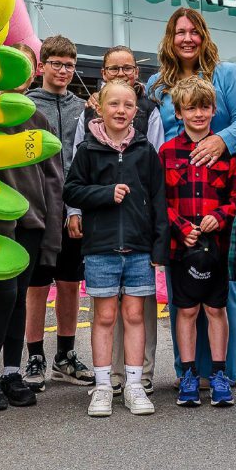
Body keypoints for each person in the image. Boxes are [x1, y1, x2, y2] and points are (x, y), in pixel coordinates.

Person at [146, 7, 236, 383]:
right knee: (184, 286)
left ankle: (227, 370)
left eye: (193, 31)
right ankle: (189, 370)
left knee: (225, 286)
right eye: (179, 32)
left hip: (223, 188)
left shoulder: (227, 74)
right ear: (169, 39)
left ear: (204, 35)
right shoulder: (157, 84)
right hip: (179, 196)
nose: (187, 38)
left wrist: (222, 140)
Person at [63, 81, 165, 417]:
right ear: (100, 108)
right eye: (114, 105)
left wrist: (159, 245)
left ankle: (134, 384)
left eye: (128, 105)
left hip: (138, 248)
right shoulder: (88, 150)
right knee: (104, 317)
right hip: (101, 248)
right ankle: (104, 385)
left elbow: (159, 201)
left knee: (135, 316)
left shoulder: (145, 151)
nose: (120, 111)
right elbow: (71, 191)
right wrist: (105, 194)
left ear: (136, 112)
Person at [0, 43, 66, 411]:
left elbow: (53, 181)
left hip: (31, 224)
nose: (19, 75)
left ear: (32, 74)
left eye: (26, 68)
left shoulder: (38, 120)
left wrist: (51, 235)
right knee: (5, 296)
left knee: (19, 301)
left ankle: (11, 371)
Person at [162, 77, 236, 407]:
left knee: (216, 308)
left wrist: (220, 216)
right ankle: (190, 374)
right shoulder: (166, 152)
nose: (199, 113)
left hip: (217, 248)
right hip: (182, 249)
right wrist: (180, 225)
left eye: (204, 107)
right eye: (191, 107)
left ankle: (220, 373)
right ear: (179, 113)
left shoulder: (226, 153)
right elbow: (159, 200)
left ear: (214, 110)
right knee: (187, 310)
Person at [23, 35, 95, 390]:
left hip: (73, 210)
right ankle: (34, 356)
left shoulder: (84, 108)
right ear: (41, 67)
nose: (64, 70)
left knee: (70, 284)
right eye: (57, 63)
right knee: (36, 286)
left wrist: (76, 207)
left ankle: (65, 356)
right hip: (38, 209)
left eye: (70, 64)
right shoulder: (25, 105)